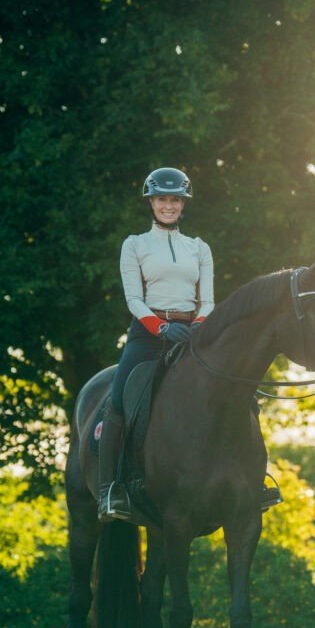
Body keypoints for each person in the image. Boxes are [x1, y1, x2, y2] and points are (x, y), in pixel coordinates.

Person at [98, 166, 213, 521]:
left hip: (192, 334)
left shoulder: (199, 248)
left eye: (175, 199)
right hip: (148, 336)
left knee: (238, 389)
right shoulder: (135, 244)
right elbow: (134, 299)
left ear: (183, 204)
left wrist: (195, 327)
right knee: (118, 401)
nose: (168, 205)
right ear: (151, 202)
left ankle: (251, 481)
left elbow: (207, 300)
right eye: (162, 199)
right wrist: (162, 329)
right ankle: (110, 490)